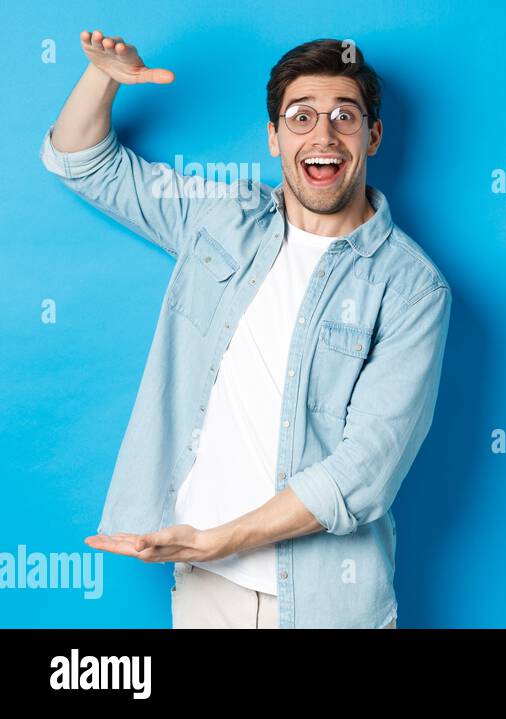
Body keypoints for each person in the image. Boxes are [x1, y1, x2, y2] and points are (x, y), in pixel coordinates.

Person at [41, 30, 452, 628]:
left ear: (373, 135)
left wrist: (219, 540)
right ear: (273, 136)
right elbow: (83, 162)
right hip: (208, 591)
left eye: (345, 116)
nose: (323, 134)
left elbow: (364, 473)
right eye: (301, 116)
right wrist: (104, 77)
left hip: (328, 604)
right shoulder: (222, 219)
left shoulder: (412, 288)